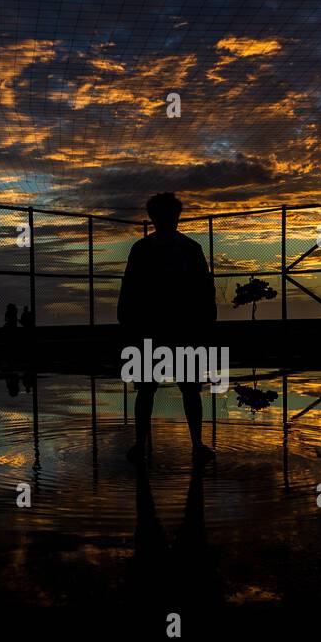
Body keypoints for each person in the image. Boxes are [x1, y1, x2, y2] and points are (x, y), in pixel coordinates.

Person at [117, 192, 217, 465]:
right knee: (187, 389)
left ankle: (141, 444)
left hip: (152, 327)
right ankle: (195, 445)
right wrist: (207, 321)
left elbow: (130, 290)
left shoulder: (143, 249)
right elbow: (205, 290)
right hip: (182, 327)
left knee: (148, 388)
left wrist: (126, 321)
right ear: (176, 217)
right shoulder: (189, 248)